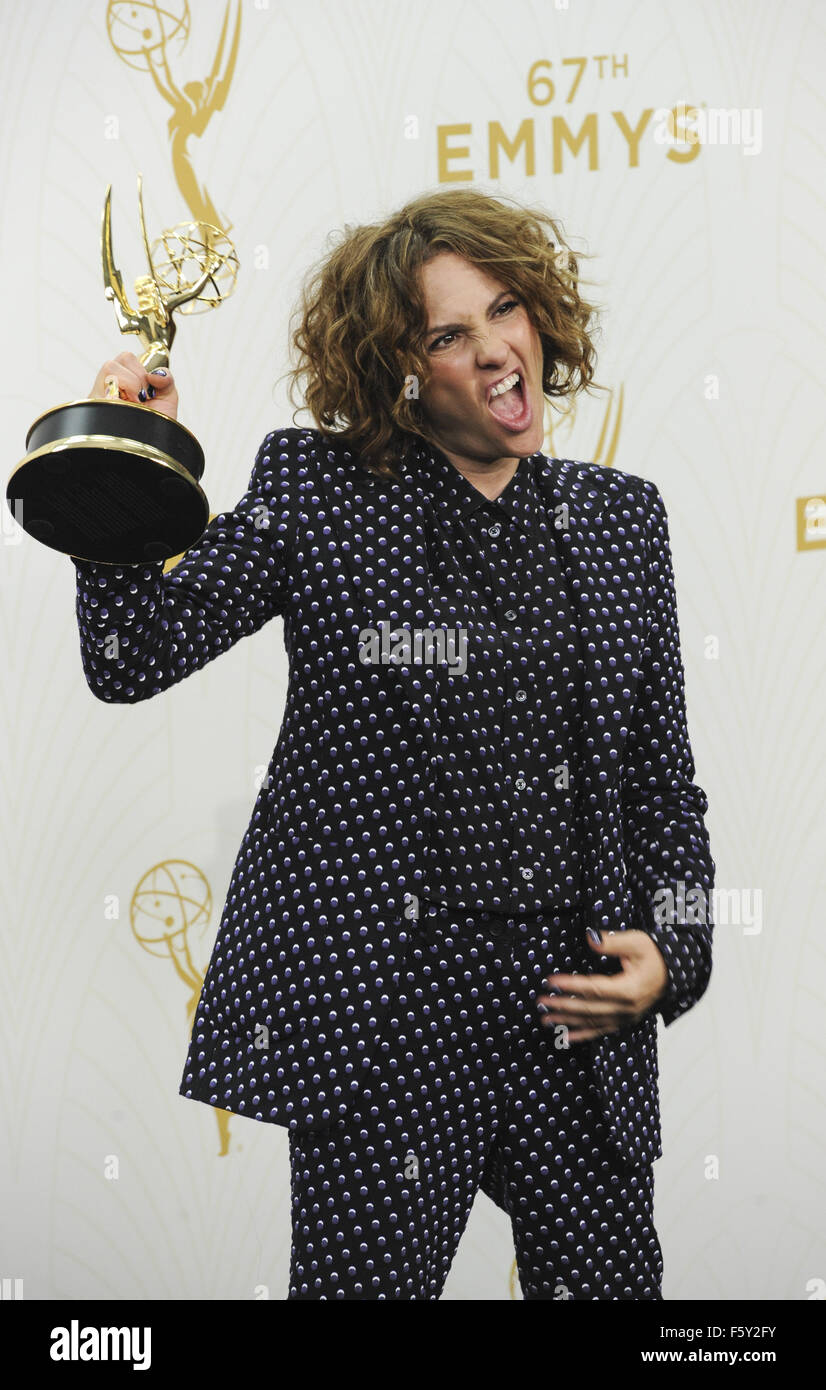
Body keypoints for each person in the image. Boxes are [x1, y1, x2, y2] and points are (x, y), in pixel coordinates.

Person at [74, 187, 715, 1300]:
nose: (497, 351)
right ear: (398, 372)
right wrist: (128, 456)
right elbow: (135, 655)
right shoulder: (320, 491)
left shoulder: (622, 519)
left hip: (574, 1011)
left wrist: (676, 956)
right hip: (385, 1017)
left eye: (506, 309)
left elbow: (665, 786)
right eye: (448, 334)